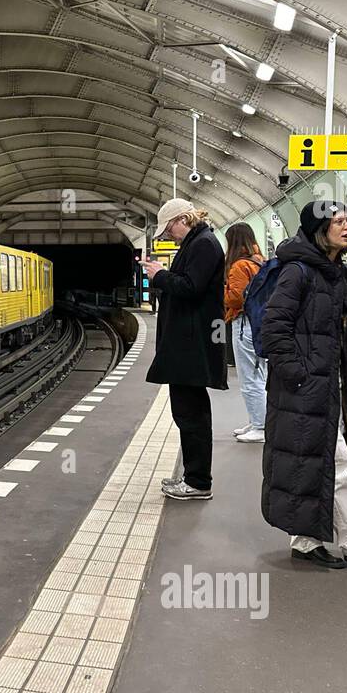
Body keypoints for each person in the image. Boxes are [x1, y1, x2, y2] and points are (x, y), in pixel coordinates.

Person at [259, 201, 347, 573]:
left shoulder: (337, 273)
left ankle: (305, 541)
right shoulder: (297, 273)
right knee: (337, 462)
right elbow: (274, 330)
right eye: (339, 221)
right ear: (320, 229)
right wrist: (299, 375)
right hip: (306, 388)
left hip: (333, 387)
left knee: (311, 463)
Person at [141, 198, 228, 501]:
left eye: (169, 230)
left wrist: (159, 275)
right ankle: (195, 476)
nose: (170, 236)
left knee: (192, 416)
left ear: (182, 220)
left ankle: (199, 482)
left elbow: (191, 287)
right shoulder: (199, 242)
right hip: (188, 345)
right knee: (189, 413)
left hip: (192, 346)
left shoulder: (204, 244)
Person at [223, 223, 267, 443]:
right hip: (260, 323)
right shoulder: (261, 261)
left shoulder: (239, 265)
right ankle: (257, 420)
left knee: (249, 377)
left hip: (244, 324)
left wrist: (222, 290)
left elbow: (235, 298)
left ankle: (260, 427)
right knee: (259, 374)